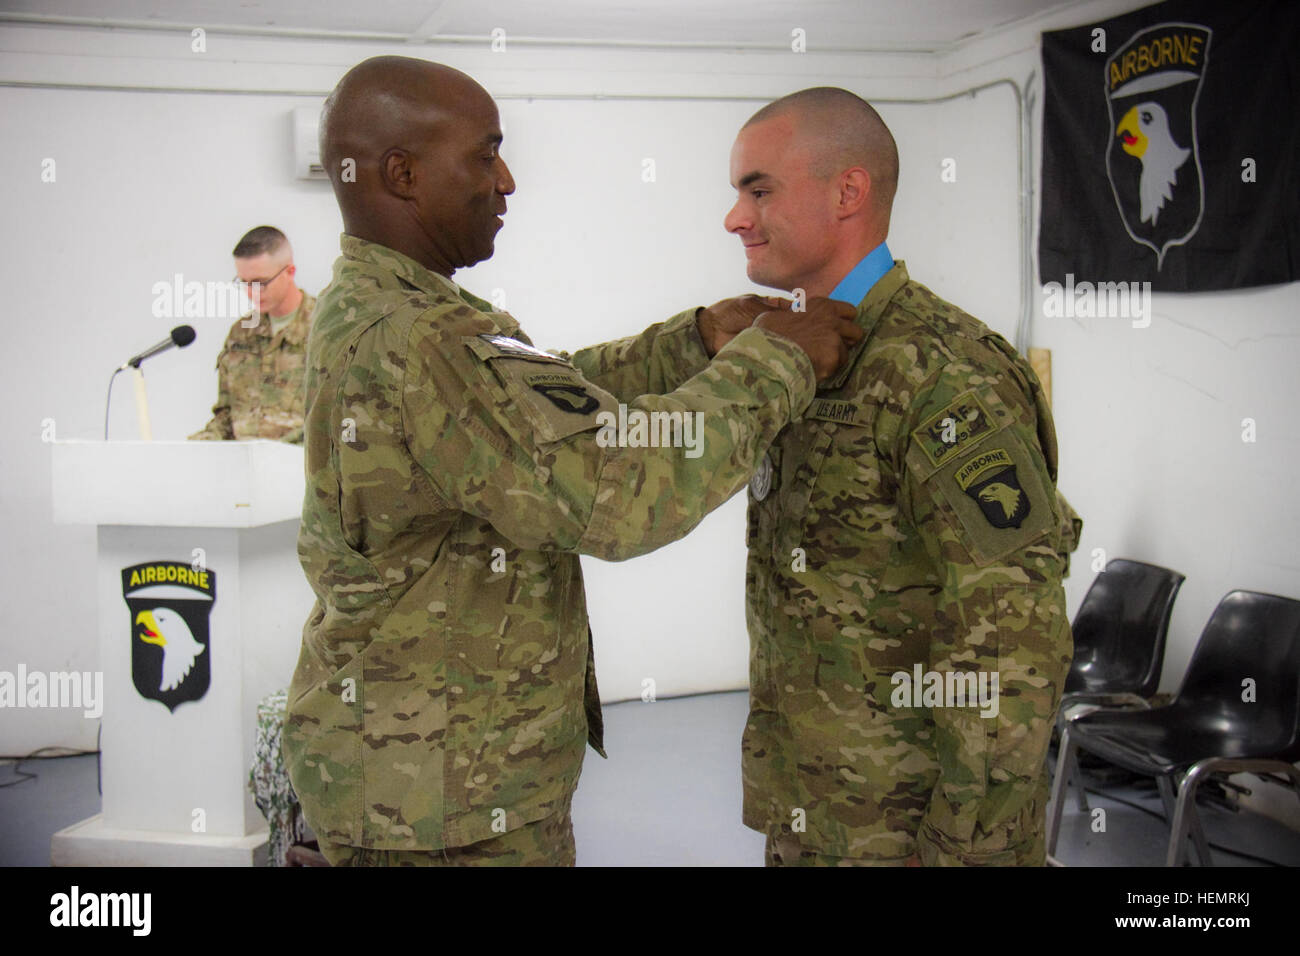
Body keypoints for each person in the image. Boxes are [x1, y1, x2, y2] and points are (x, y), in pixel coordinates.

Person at [281, 56, 862, 867]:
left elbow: (536, 409)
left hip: (428, 776)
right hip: (439, 804)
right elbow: (615, 491)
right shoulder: (418, 338)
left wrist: (686, 346)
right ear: (402, 174)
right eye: (485, 155)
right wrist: (777, 363)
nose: (508, 179)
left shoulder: (393, 309)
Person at [704, 87, 1076, 865]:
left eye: (758, 188)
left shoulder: (943, 372)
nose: (735, 218)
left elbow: (1011, 647)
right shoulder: (798, 355)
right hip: (814, 812)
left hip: (908, 835)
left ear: (848, 192)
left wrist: (961, 848)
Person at [188, 226, 315, 443]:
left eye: (261, 282)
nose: (251, 291)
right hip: (243, 469)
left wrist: (277, 450)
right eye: (244, 283)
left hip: (300, 468)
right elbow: (227, 416)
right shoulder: (242, 333)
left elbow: (336, 417)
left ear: (289, 272)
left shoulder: (322, 329)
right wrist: (198, 446)